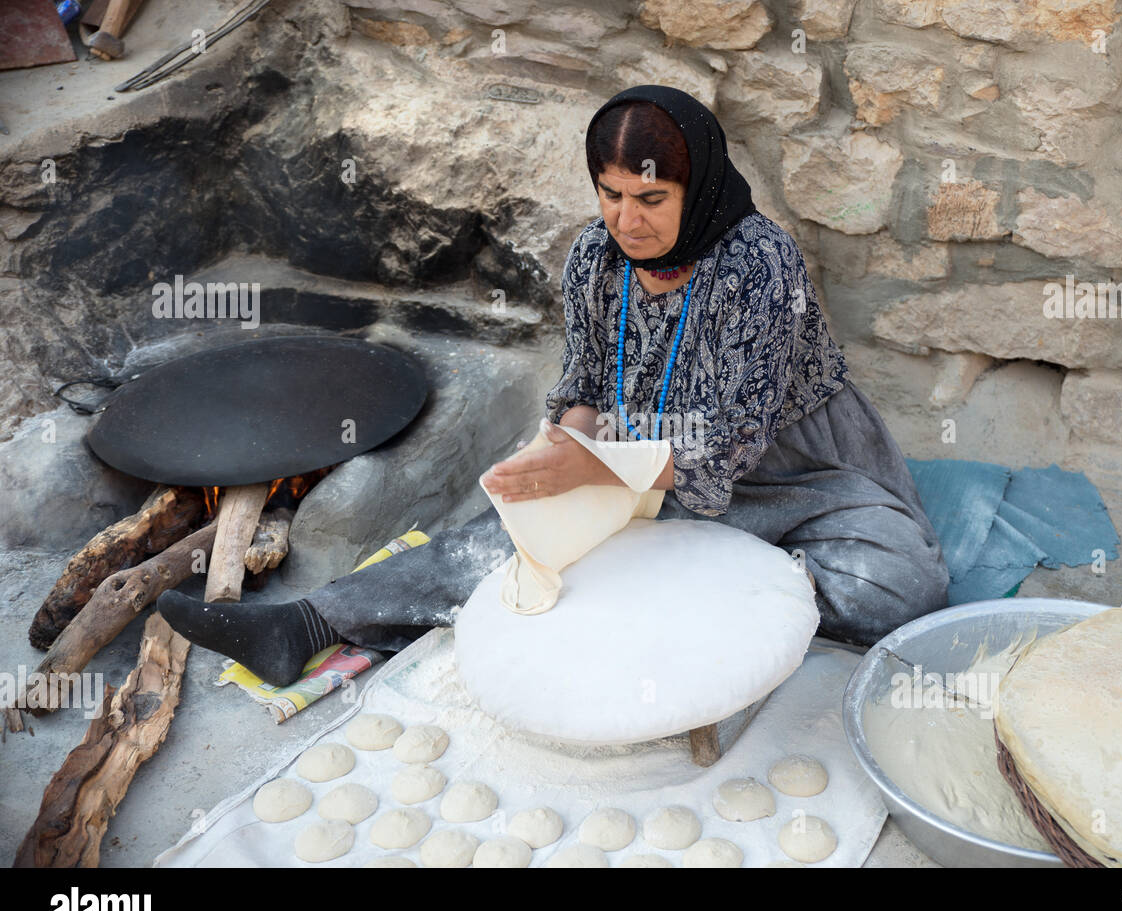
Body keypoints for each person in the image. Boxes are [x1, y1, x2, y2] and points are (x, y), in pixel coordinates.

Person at [158, 85, 949, 687]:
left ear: (697, 188)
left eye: (650, 199)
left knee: (900, 585)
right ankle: (306, 621)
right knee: (514, 538)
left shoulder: (760, 266)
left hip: (799, 473)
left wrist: (597, 469)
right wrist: (568, 443)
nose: (626, 221)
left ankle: (716, 582)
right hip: (641, 472)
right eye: (610, 195)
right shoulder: (595, 260)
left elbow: (730, 442)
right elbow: (584, 379)